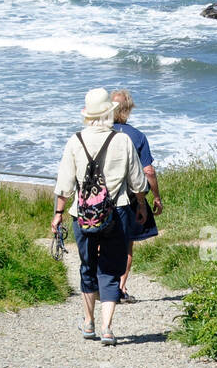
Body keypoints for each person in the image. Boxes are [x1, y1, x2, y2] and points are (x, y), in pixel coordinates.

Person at [51, 87, 149, 345]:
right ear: (110, 112)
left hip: (82, 214)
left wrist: (58, 214)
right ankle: (107, 327)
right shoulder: (123, 140)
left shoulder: (75, 140)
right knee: (110, 269)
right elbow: (138, 182)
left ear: (87, 114)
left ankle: (88, 321)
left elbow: (64, 183)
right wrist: (140, 205)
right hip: (117, 212)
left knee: (87, 266)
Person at [111, 90, 163, 303]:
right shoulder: (138, 136)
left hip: (102, 197)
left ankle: (102, 286)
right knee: (126, 245)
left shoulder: (98, 133)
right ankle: (120, 289)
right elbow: (148, 171)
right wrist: (156, 197)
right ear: (128, 110)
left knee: (100, 243)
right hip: (131, 199)